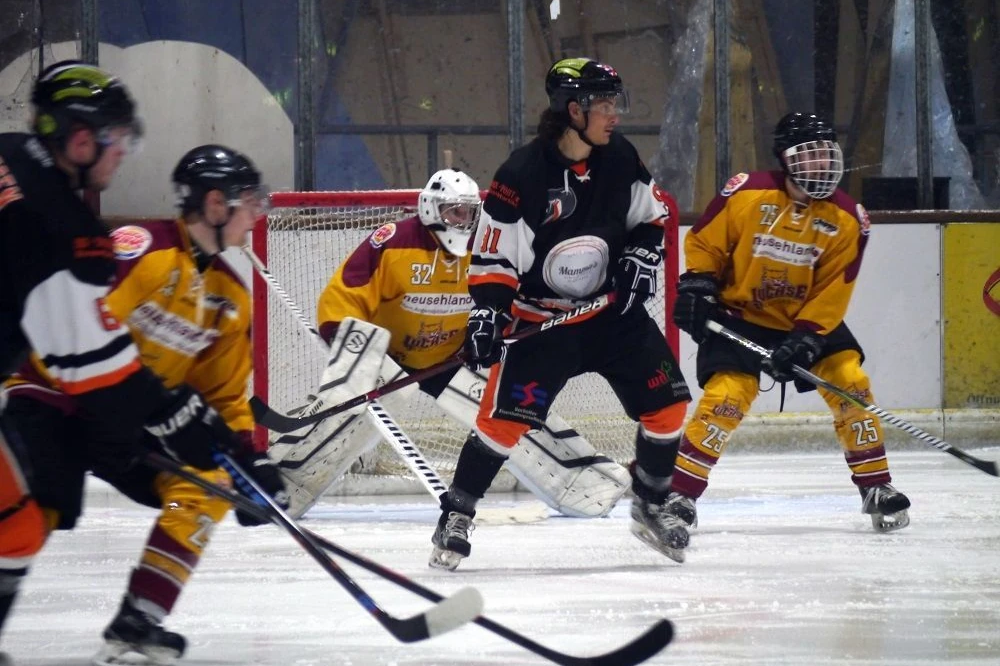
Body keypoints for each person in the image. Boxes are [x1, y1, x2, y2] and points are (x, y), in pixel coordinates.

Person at [4, 144, 287, 663]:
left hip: (135, 423)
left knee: (208, 484)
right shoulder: (141, 250)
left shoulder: (230, 295)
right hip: (56, 399)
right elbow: (77, 333)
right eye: (249, 201)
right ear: (216, 204)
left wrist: (250, 458)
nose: (257, 215)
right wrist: (136, 406)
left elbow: (223, 396)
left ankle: (140, 620)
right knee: (30, 515)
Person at [428, 57, 692, 571]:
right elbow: (494, 256)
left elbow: (651, 218)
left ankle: (651, 504)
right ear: (574, 110)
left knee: (669, 408)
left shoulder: (620, 157)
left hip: (612, 315)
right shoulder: (521, 174)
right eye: (605, 104)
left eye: (616, 102)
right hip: (541, 321)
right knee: (503, 423)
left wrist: (641, 254)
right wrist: (487, 314)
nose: (615, 114)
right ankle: (456, 514)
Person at [278, 168, 630, 521]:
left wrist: (499, 330)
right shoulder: (393, 241)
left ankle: (585, 484)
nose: (463, 221)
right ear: (431, 209)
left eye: (469, 212)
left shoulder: (486, 248)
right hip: (388, 358)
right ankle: (280, 484)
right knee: (344, 413)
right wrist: (353, 349)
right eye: (454, 211)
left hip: (450, 357)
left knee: (509, 411)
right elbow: (343, 297)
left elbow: (513, 294)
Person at [668, 112, 911, 556]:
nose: (821, 164)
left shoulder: (848, 218)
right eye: (810, 155)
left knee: (850, 382)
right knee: (726, 397)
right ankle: (680, 493)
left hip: (806, 323)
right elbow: (705, 241)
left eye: (827, 154)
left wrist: (807, 337)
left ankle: (876, 486)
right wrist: (699, 283)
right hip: (739, 315)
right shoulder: (747, 191)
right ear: (786, 159)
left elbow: (835, 288)